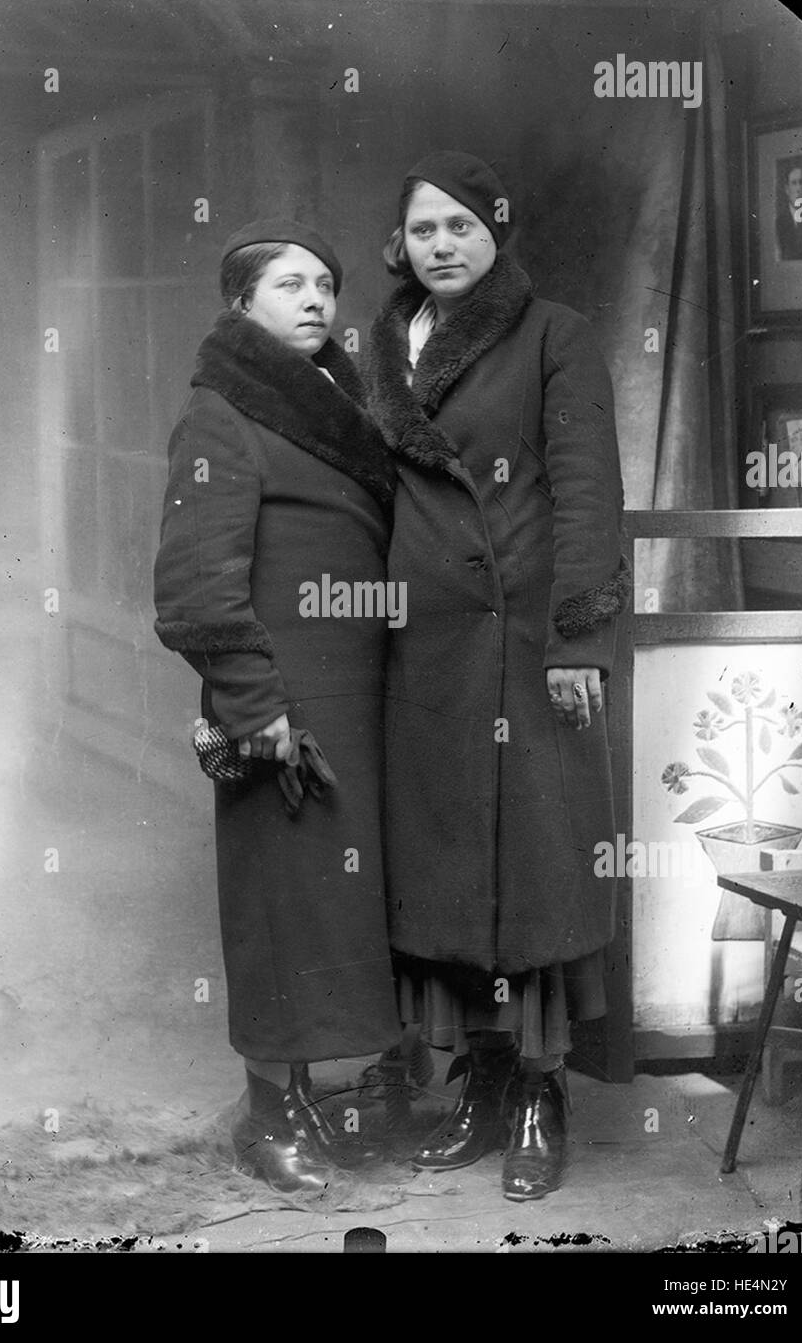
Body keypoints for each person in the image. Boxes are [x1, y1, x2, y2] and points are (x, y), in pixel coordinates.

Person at [365, 152, 630, 1201]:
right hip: (425, 648)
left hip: (525, 647)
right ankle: (477, 1083)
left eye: (462, 227)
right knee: (447, 865)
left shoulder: (555, 333)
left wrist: (579, 642)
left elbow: (589, 491)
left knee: (534, 867)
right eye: (425, 229)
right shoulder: (385, 344)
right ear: (402, 243)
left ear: (496, 233)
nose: (443, 245)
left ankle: (537, 1093)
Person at [153, 219, 401, 1192]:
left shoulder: (340, 406)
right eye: (290, 284)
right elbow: (194, 588)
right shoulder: (222, 413)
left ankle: (328, 1094)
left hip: (359, 698)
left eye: (326, 285)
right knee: (279, 910)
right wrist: (256, 708)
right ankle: (270, 1110)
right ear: (241, 306)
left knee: (337, 911)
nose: (315, 299)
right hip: (279, 706)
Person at [775, 161, 802, 262]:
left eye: (801, 182)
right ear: (787, 189)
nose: (798, 188)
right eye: (794, 183)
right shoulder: (780, 221)